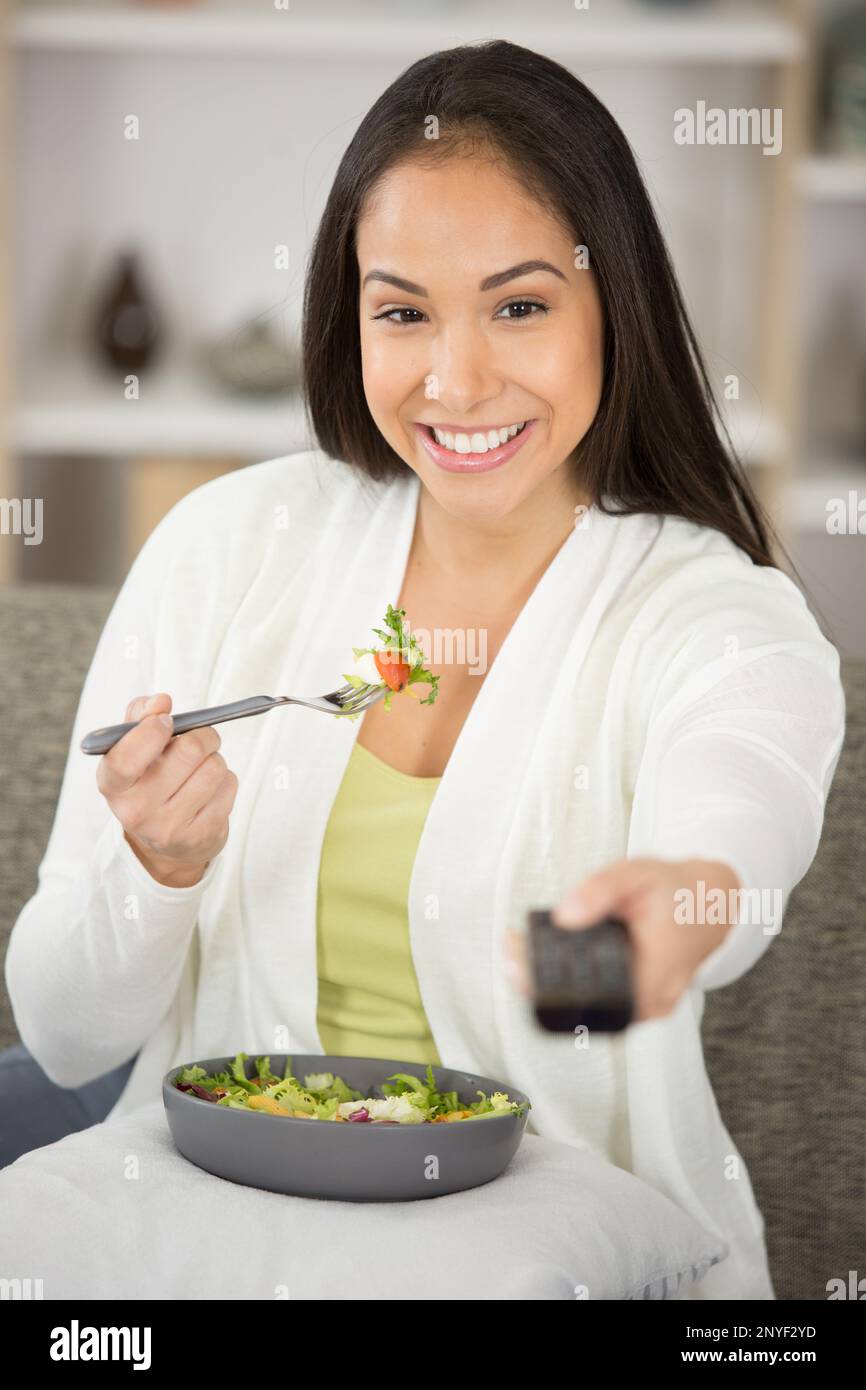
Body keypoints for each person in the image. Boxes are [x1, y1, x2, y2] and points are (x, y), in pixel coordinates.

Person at [2, 41, 845, 1298]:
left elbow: (737, 809)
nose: (454, 382)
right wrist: (153, 871)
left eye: (518, 305)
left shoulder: (715, 614)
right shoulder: (230, 547)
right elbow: (64, 1031)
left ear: (610, 301)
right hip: (207, 1203)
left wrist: (671, 909)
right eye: (402, 311)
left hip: (539, 1230)